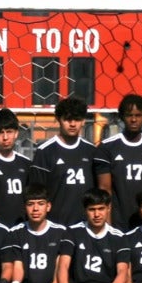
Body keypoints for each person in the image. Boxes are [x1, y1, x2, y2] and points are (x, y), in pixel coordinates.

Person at [55, 188, 130, 283]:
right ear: (85, 210)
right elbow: (63, 265)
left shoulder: (119, 237)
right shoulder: (73, 232)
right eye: (92, 209)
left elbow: (123, 271)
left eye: (101, 209)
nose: (97, 214)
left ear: (108, 208)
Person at [94, 94, 142, 230]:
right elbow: (104, 189)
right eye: (129, 115)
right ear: (121, 117)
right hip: (116, 223)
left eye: (138, 115)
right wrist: (108, 227)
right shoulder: (106, 148)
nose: (133, 119)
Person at [7, 183, 68, 283]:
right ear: (25, 207)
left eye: (40, 204)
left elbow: (60, 264)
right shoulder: (16, 232)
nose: (35, 209)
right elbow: (18, 264)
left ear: (48, 206)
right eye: (30, 204)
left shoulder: (60, 232)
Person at [30, 97, 97, 226]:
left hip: (86, 226)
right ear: (58, 119)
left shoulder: (92, 151)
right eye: (67, 119)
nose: (72, 124)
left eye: (77, 119)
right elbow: (36, 193)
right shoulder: (45, 152)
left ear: (83, 121)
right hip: (55, 225)